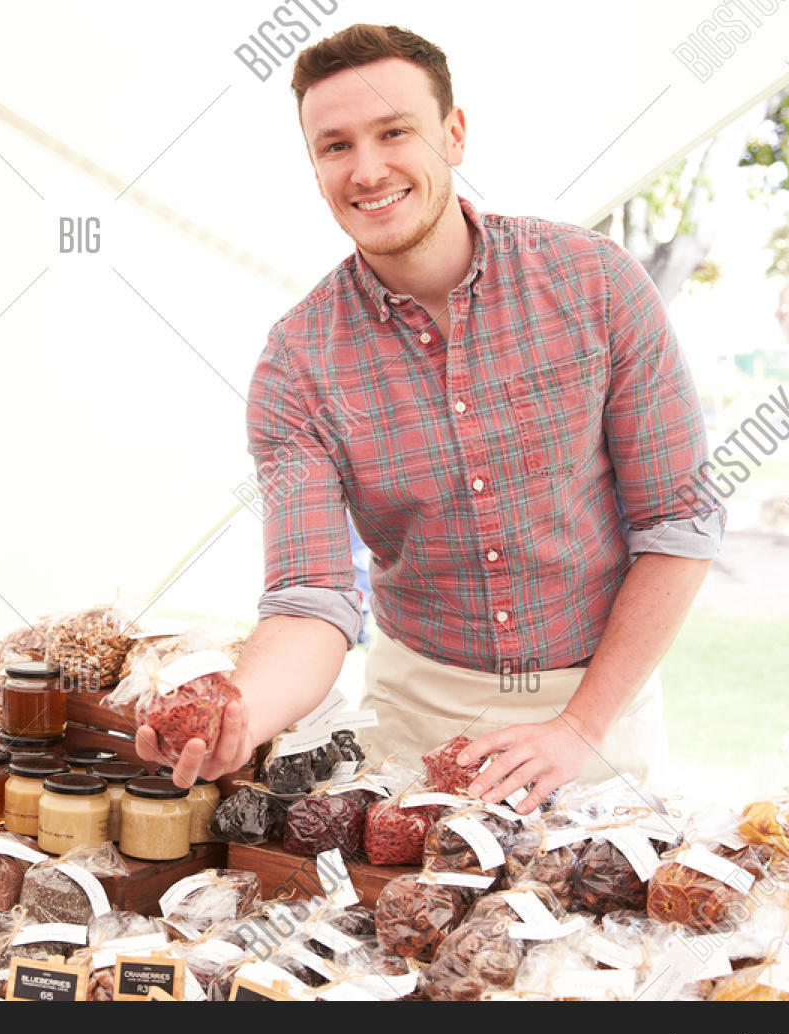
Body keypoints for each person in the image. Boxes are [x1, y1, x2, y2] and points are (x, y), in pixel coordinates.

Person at [136, 24, 720, 814]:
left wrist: (579, 725)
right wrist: (239, 717)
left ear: (453, 134)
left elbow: (676, 524)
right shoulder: (297, 362)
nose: (367, 169)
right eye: (335, 145)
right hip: (415, 724)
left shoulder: (597, 284)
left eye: (394, 131)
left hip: (601, 718)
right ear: (315, 170)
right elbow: (311, 597)